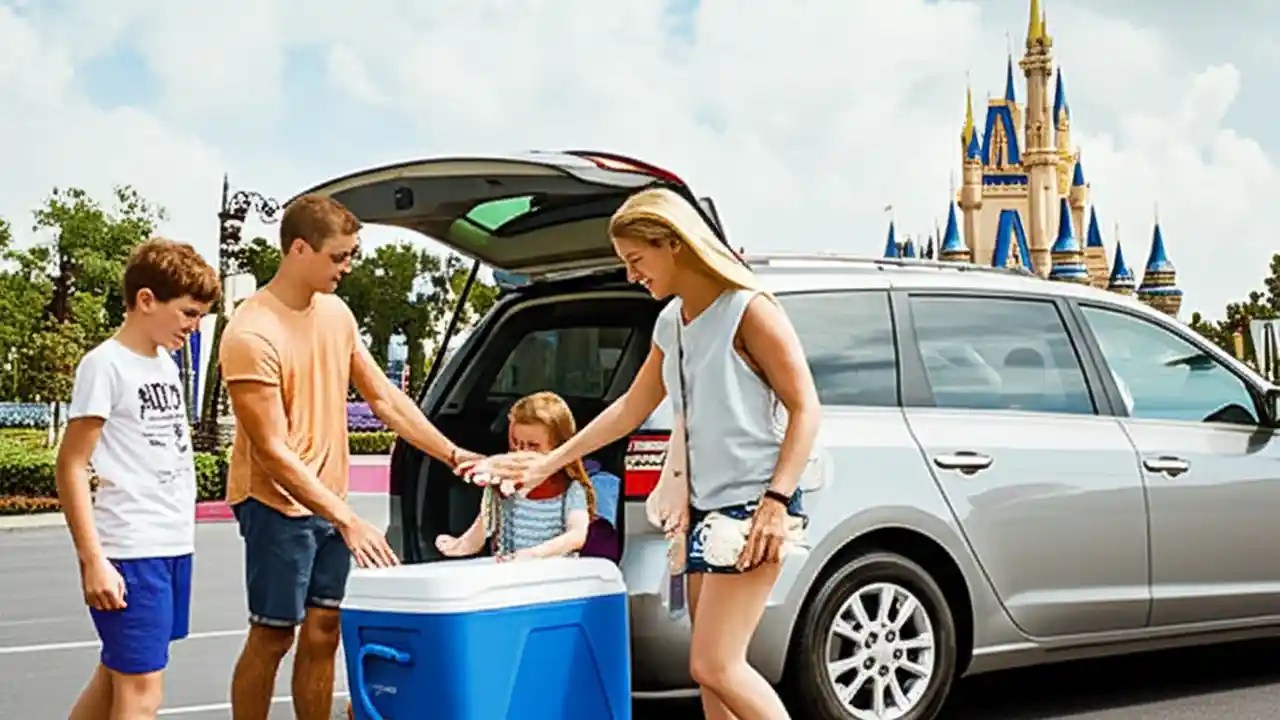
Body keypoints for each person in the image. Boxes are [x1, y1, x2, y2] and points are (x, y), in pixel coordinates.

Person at [461, 187, 821, 719]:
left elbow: (806, 408)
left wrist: (775, 500)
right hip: (702, 513)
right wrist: (549, 461)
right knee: (714, 686)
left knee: (716, 665)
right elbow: (630, 408)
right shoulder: (672, 322)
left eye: (636, 261)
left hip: (752, 508)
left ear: (672, 243)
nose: (632, 275)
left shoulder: (750, 310)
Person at [218, 194, 481, 720]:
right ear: (298, 249)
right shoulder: (251, 333)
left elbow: (384, 398)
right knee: (273, 635)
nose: (348, 266)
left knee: (324, 629)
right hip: (276, 502)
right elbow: (272, 453)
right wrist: (349, 520)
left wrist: (454, 455)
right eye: (340, 256)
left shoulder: (336, 313)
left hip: (328, 501)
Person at [56, 238, 220, 719]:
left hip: (169, 545)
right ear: (146, 300)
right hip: (130, 549)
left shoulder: (163, 363)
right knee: (143, 692)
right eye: (188, 314)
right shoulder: (104, 365)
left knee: (118, 674)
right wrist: (93, 561)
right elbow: (70, 464)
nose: (193, 328)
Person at [436, 391, 596, 561]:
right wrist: (461, 545)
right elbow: (481, 532)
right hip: (512, 579)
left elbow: (577, 535)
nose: (522, 453)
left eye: (533, 446)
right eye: (517, 445)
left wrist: (535, 553)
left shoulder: (570, 490)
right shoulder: (505, 488)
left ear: (560, 450)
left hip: (554, 579)